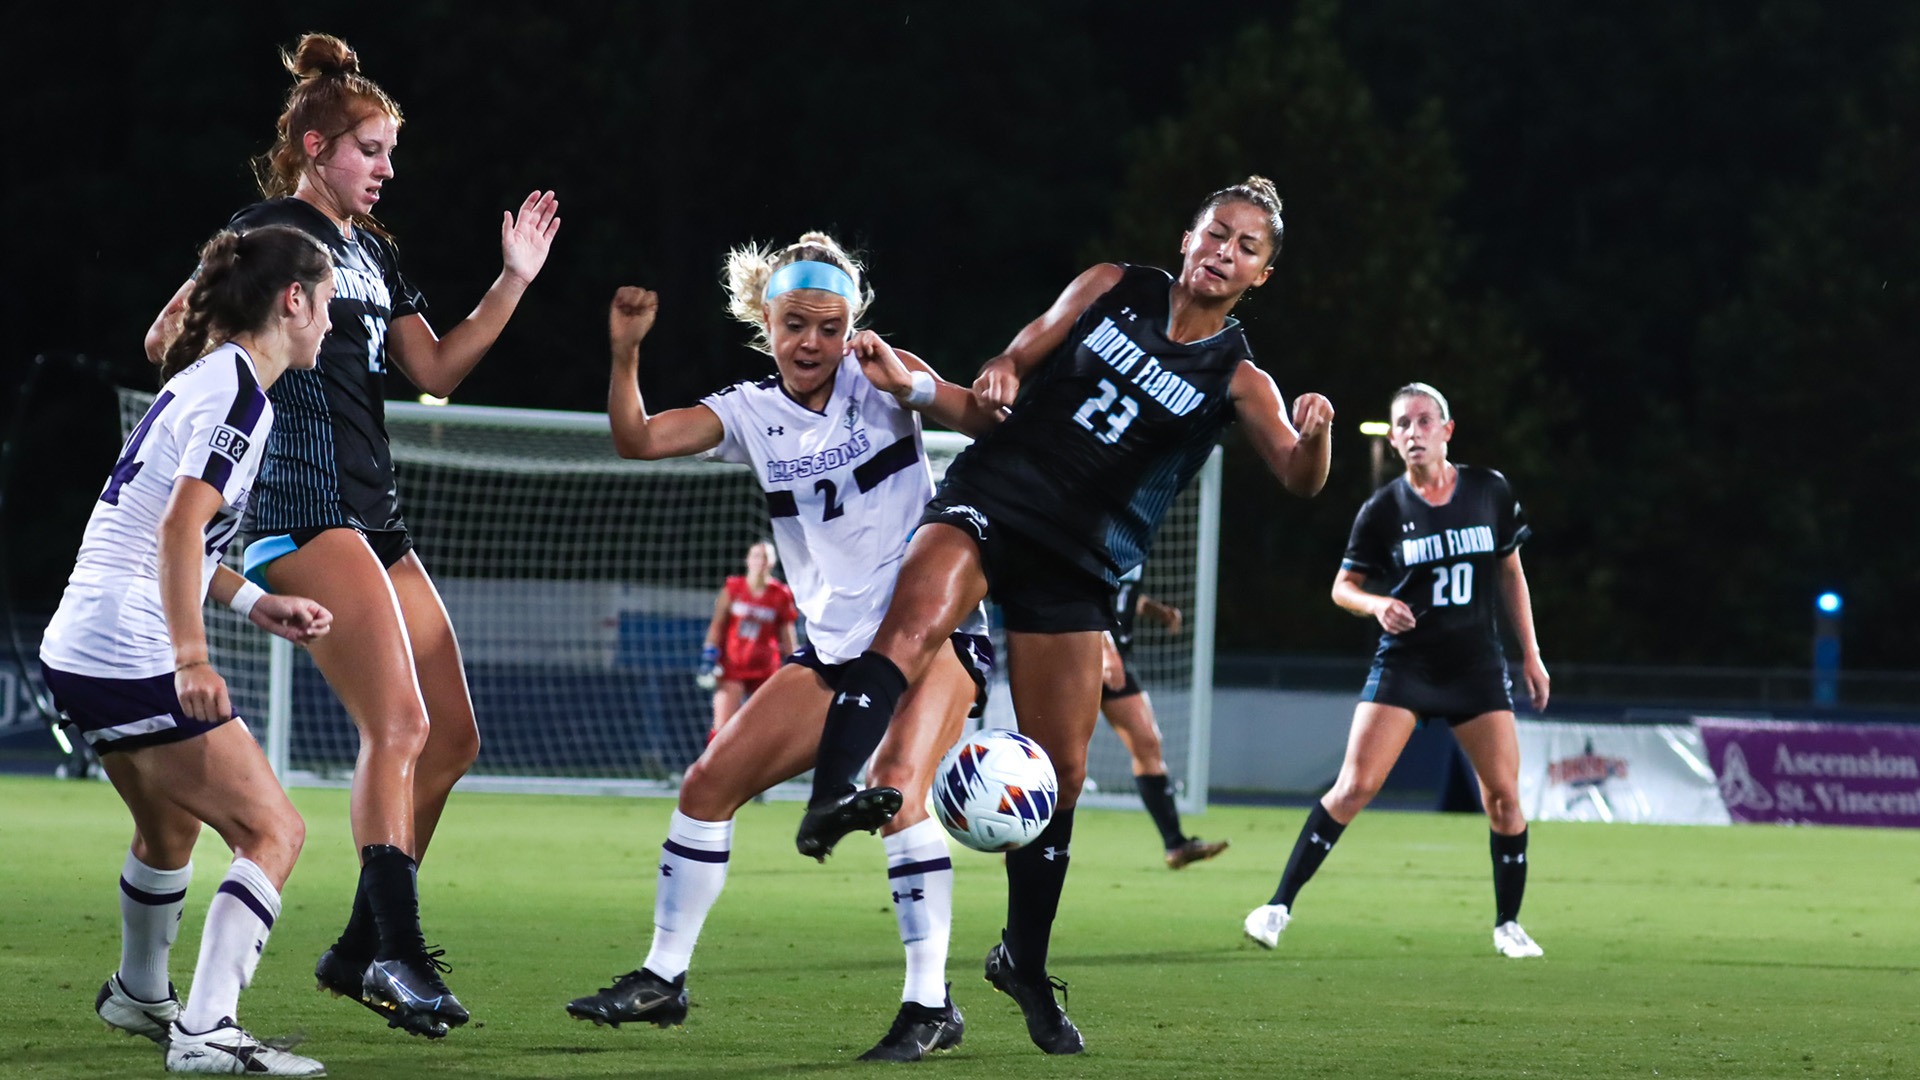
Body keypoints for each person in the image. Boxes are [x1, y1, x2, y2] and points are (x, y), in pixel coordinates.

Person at [795, 177, 1334, 1055]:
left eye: (1245, 247)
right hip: (993, 500)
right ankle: (831, 799)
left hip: (1079, 562)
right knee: (912, 624)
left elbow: (1297, 476)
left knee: (1062, 777)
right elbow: (1018, 356)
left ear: (1260, 276)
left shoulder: (1240, 379)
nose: (1222, 251)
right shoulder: (1111, 285)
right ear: (1189, 236)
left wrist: (1315, 436)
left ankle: (1024, 964)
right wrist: (1004, 367)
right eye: (1214, 233)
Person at [142, 32, 561, 1038]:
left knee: (452, 736)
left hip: (376, 518)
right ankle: (401, 957)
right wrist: (213, 362)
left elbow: (437, 371)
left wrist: (514, 278)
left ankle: (359, 948)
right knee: (401, 729)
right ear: (318, 146)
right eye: (370, 150)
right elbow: (164, 341)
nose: (386, 169)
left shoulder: (374, 253)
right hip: (299, 507)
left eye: (389, 153)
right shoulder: (272, 228)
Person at [564, 233, 1004, 1061]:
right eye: (796, 324)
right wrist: (625, 356)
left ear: (851, 328)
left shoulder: (881, 375)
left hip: (932, 633)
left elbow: (982, 416)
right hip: (836, 646)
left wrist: (908, 381)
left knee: (898, 786)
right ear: (767, 321)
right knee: (706, 786)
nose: (813, 343)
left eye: (829, 328)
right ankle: (664, 977)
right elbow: (637, 440)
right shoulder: (748, 413)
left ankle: (929, 1002)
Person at [42, 225, 337, 1075]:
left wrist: (257, 602)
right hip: (131, 644)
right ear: (293, 301)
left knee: (169, 830)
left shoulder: (206, 381)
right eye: (325, 304)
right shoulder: (241, 394)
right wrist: (192, 659)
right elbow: (177, 529)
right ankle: (207, 1031)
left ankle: (140, 993)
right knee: (273, 831)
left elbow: (177, 540)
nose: (329, 322)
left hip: (82, 642)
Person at [1242, 382, 1550, 959]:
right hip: (1408, 664)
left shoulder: (1488, 490)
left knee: (1505, 798)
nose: (1412, 433)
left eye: (1423, 421)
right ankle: (1276, 907)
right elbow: (1343, 588)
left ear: (1446, 430)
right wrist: (1377, 604)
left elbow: (1511, 573)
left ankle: (1508, 925)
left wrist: (1530, 653)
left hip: (1475, 667)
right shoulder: (1384, 509)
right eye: (1402, 425)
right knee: (1354, 786)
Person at [1097, 564, 1227, 869]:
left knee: (1148, 743)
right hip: (1079, 652)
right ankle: (1024, 840)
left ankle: (1176, 844)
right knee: (1062, 760)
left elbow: (1124, 596)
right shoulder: (1099, 526)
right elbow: (1078, 588)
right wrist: (1104, 647)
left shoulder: (1135, 539)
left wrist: (1157, 611)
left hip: (1118, 660)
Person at [698, 541, 798, 734]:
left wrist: (795, 665)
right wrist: (708, 657)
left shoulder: (781, 594)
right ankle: (718, 764)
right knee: (721, 727)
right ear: (748, 561)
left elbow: (788, 638)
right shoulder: (733, 589)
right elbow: (717, 626)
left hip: (766, 670)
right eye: (756, 556)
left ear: (772, 563)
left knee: (762, 730)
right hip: (732, 666)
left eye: (765, 557)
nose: (760, 561)